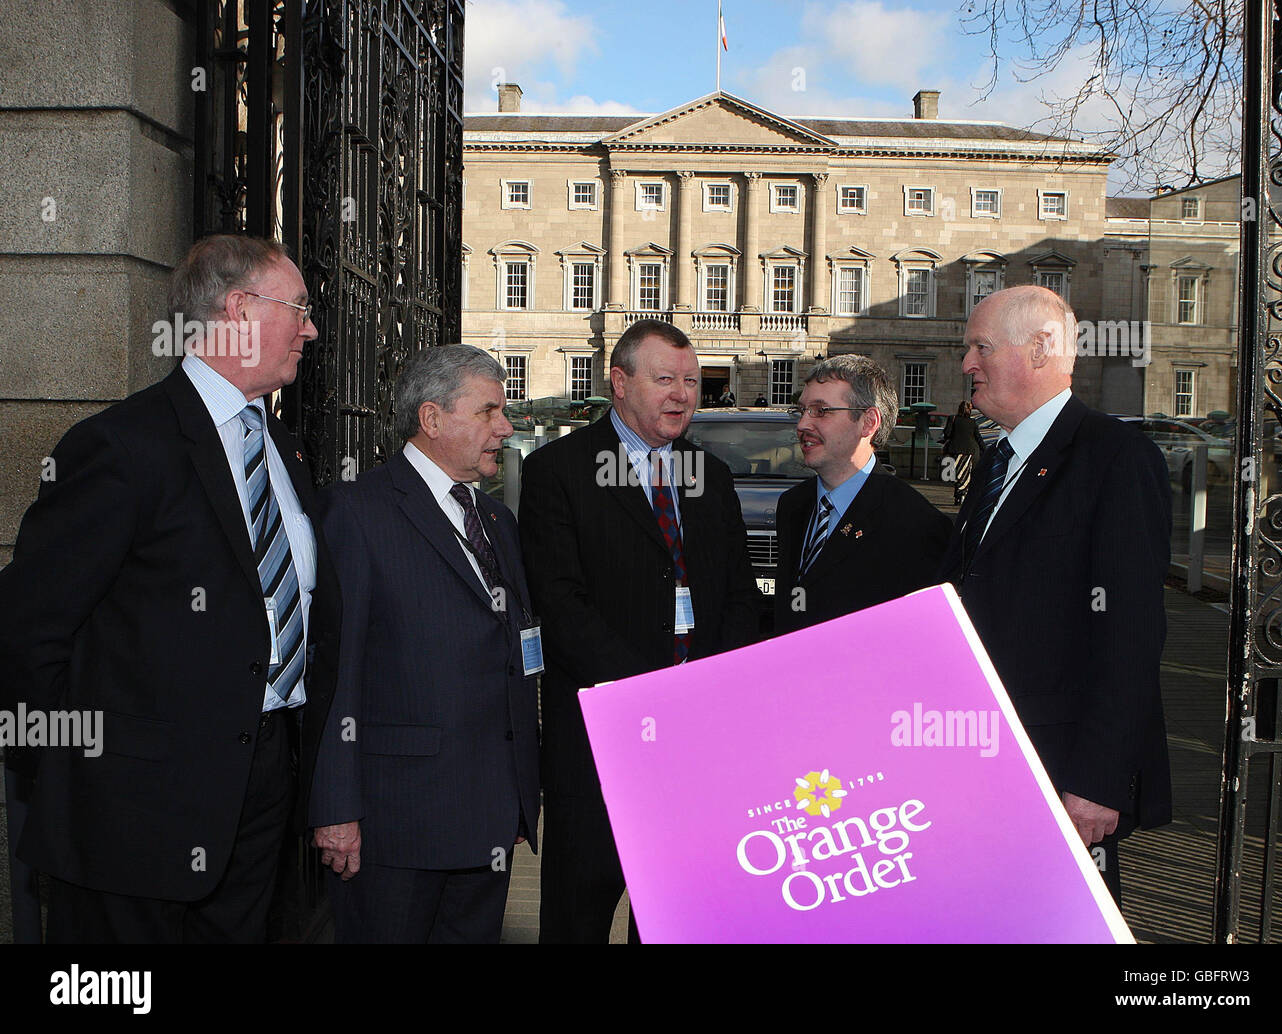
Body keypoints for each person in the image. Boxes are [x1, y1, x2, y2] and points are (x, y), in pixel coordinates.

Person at [0, 234, 340, 942]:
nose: (311, 328)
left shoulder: (286, 447)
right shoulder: (122, 446)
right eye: (299, 308)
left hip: (265, 794)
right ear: (240, 308)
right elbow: (30, 628)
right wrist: (75, 780)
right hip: (134, 819)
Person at [518, 318, 760, 943]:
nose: (682, 394)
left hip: (697, 744)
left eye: (690, 380)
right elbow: (560, 604)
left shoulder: (714, 476)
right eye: (665, 380)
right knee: (579, 915)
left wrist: (709, 687)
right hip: (601, 744)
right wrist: (650, 696)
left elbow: (738, 597)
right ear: (618, 383)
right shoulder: (559, 471)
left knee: (677, 920)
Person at [939, 284, 1172, 905]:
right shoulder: (997, 461)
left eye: (980, 346)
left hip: (1063, 767)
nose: (967, 364)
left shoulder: (1115, 458)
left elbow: (1130, 632)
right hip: (990, 755)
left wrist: (1097, 780)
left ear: (1042, 349)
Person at [308, 345, 540, 943]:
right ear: (432, 419)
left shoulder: (497, 522)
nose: (505, 428)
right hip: (394, 823)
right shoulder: (357, 512)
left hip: (486, 816)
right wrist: (335, 807)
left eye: (505, 412)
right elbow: (337, 669)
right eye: (488, 411)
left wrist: (517, 793)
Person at [775, 356, 951, 635]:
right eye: (802, 411)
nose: (803, 425)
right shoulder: (793, 505)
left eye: (821, 411)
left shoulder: (915, 523)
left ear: (868, 423)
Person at [941, 399, 984, 506]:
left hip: (956, 450)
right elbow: (978, 437)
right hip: (970, 450)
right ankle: (961, 495)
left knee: (957, 474)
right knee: (965, 474)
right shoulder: (972, 422)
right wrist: (985, 449)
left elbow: (947, 433)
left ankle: (959, 496)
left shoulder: (953, 418)